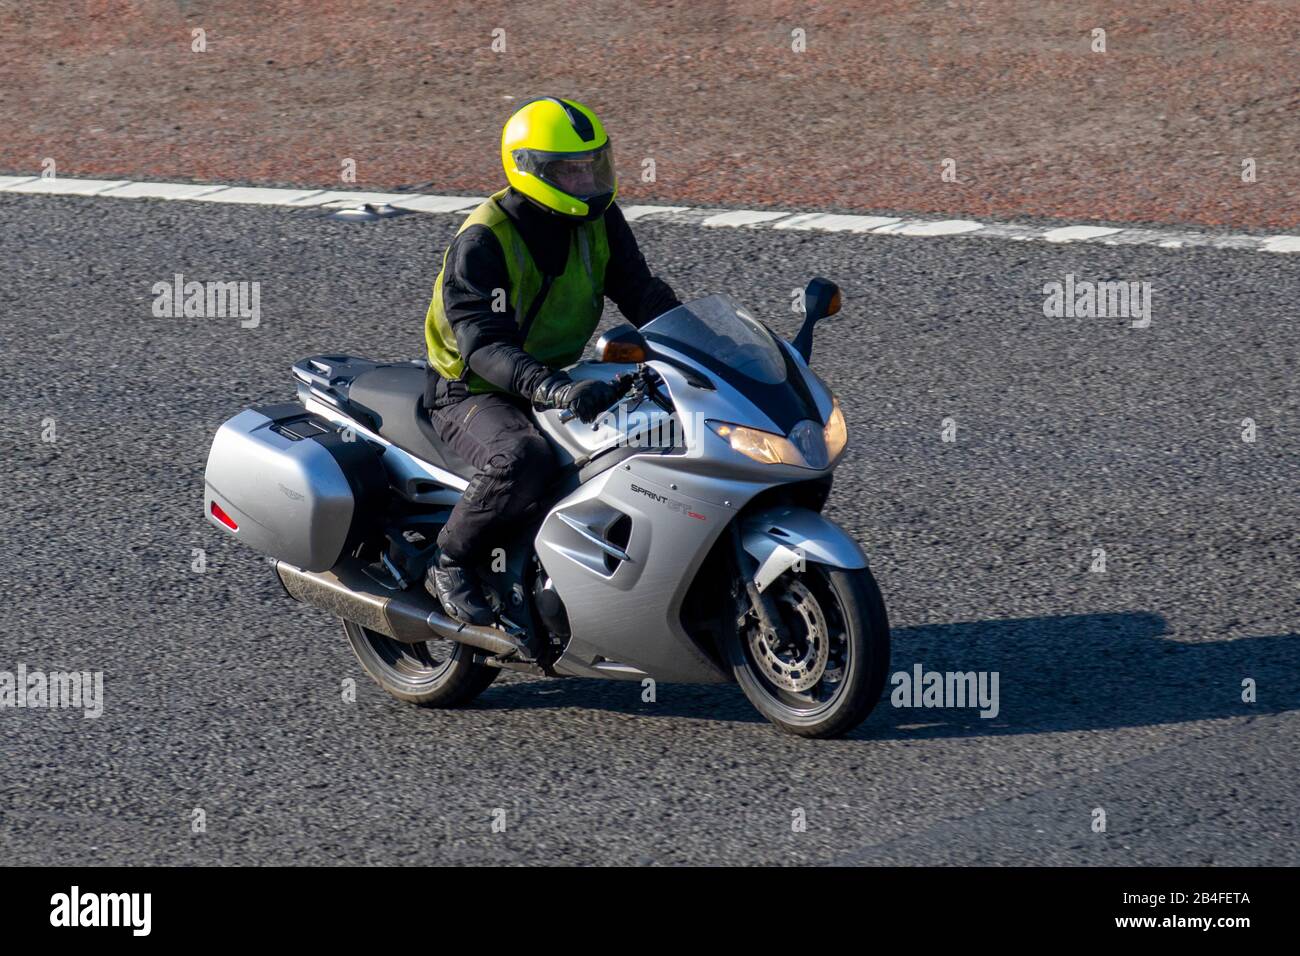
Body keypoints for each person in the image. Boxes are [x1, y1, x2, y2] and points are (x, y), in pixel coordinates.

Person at [423, 96, 680, 626]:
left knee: (657, 429)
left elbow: (641, 293)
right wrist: (554, 390)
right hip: (471, 388)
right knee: (524, 458)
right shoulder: (484, 240)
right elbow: (484, 346)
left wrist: (706, 345)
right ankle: (450, 560)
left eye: (592, 167)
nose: (586, 182)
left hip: (551, 375)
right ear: (530, 170)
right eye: (569, 170)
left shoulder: (599, 222)